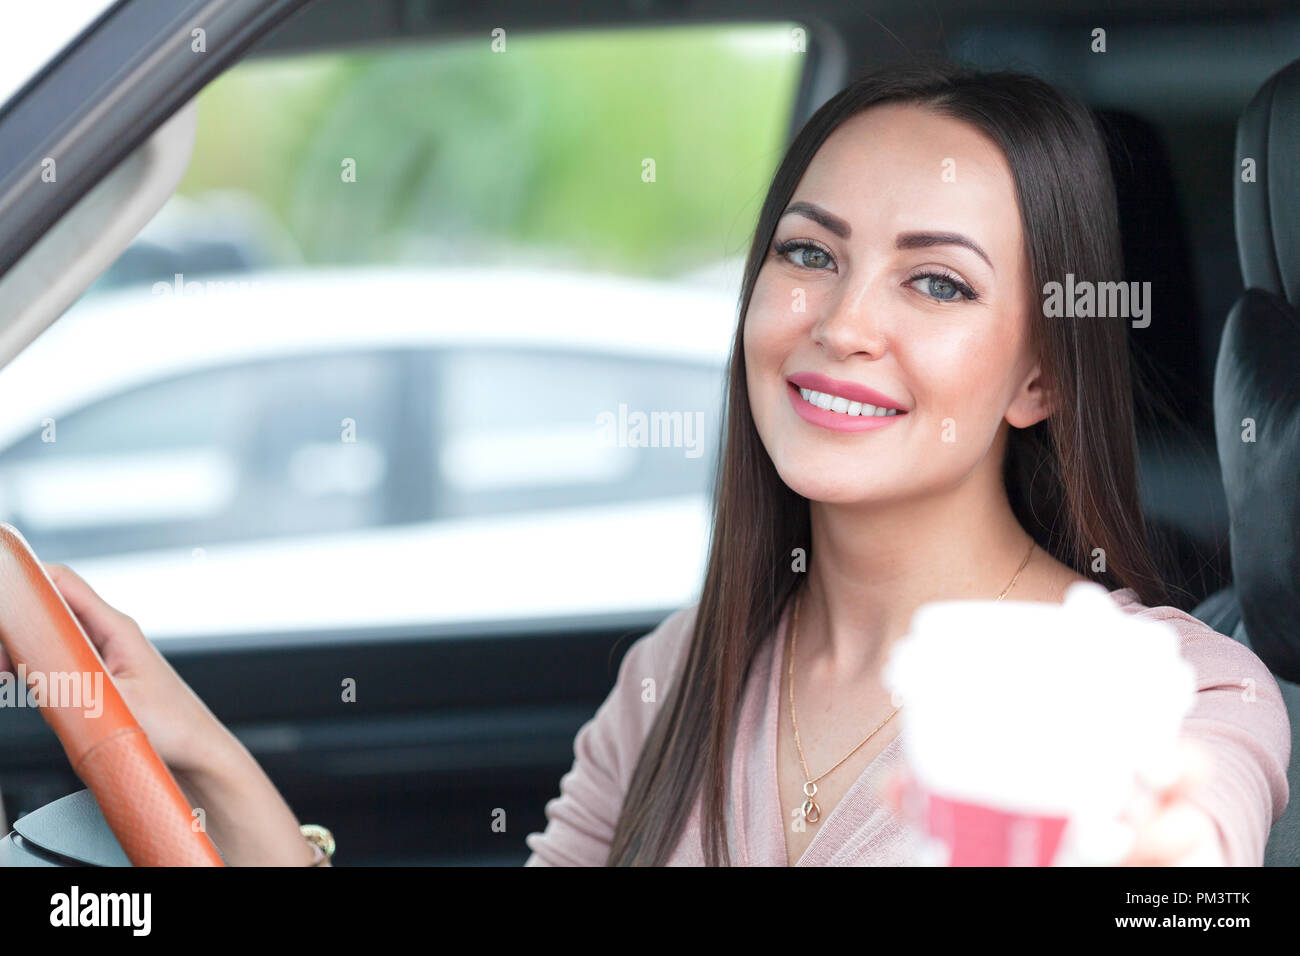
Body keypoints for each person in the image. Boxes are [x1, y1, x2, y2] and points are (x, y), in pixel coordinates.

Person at [1, 60, 1288, 867]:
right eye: (808, 253)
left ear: (1038, 376)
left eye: (936, 281)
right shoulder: (681, 667)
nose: (842, 321)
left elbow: (1182, 836)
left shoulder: (1180, 696)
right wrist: (205, 756)